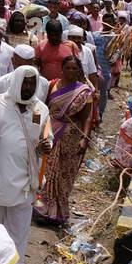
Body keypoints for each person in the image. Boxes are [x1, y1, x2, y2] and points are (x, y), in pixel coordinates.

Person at [0, 65, 53, 258]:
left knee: (18, 230)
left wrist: (46, 147)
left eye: (32, 83)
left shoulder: (41, 109)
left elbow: (47, 138)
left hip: (25, 181)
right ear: (16, 81)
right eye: (24, 82)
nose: (27, 87)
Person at [33, 56, 95, 227]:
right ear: (62, 68)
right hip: (50, 132)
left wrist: (84, 138)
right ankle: (42, 209)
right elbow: (43, 107)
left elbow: (87, 118)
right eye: (67, 68)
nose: (70, 72)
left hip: (70, 136)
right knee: (46, 170)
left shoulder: (84, 92)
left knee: (63, 175)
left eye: (74, 69)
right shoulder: (53, 85)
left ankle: (58, 213)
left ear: (79, 70)